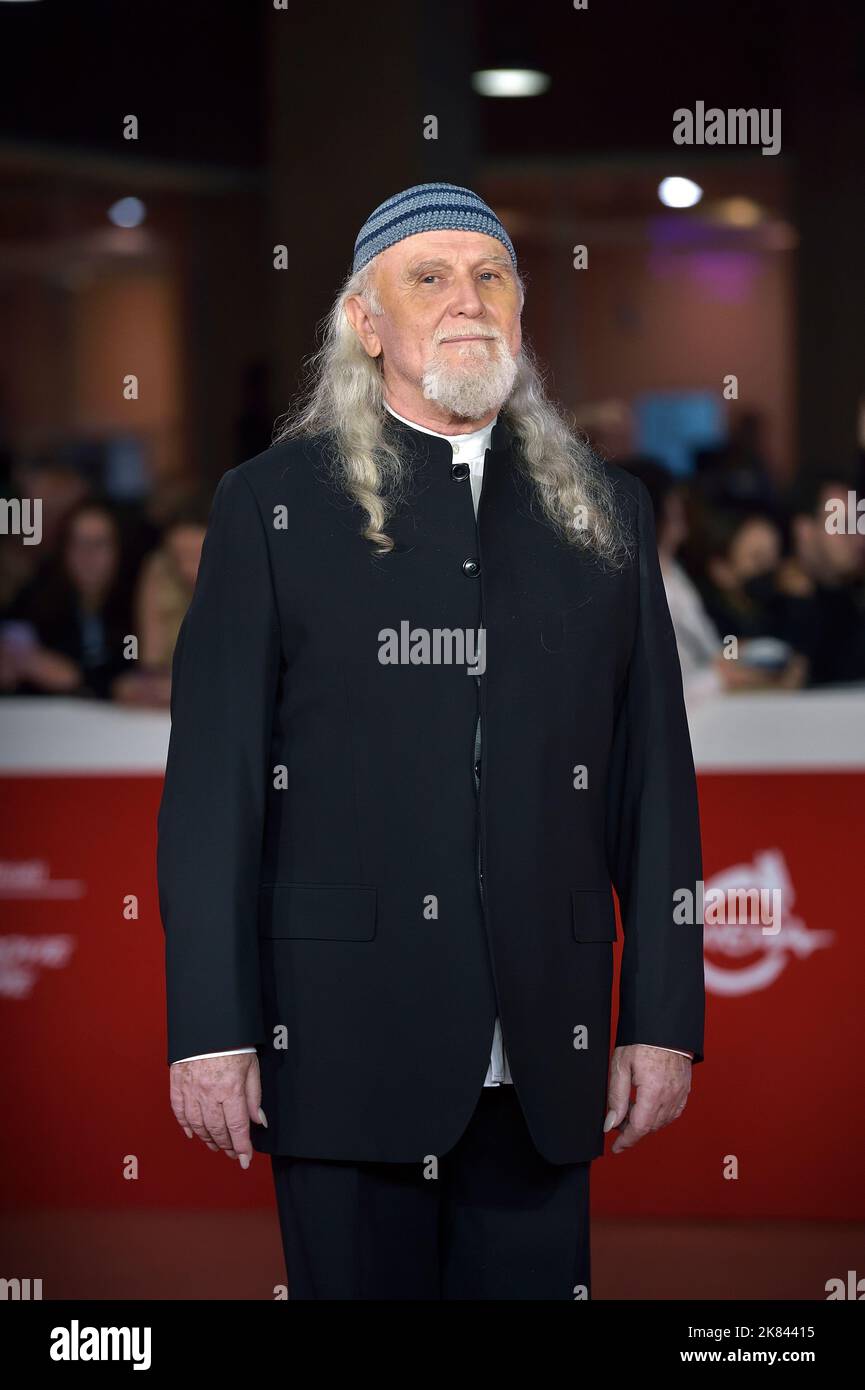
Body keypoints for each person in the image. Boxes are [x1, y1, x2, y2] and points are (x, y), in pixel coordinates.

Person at [158, 183, 705, 1301]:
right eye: (430, 277)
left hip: (543, 1054)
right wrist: (211, 1027)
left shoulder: (601, 510)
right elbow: (214, 790)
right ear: (367, 324)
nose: (469, 301)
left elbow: (653, 787)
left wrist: (660, 1018)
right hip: (341, 1041)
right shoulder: (270, 507)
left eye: (491, 275)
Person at [0, 498, 132, 700]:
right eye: (78, 543)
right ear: (64, 549)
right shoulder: (37, 598)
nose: (88, 555)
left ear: (118, 549)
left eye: (99, 544)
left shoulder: (135, 601)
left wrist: (78, 678)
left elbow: (136, 676)